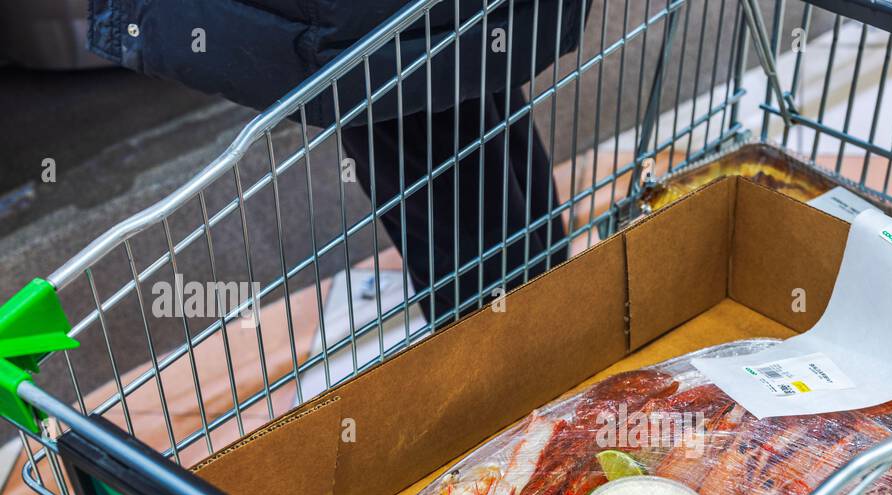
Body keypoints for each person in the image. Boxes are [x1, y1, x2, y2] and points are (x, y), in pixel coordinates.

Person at [88, 0, 588, 321]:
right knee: (464, 92)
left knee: (426, 115)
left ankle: (516, 349)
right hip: (402, 30)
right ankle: (540, 323)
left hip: (374, 33)